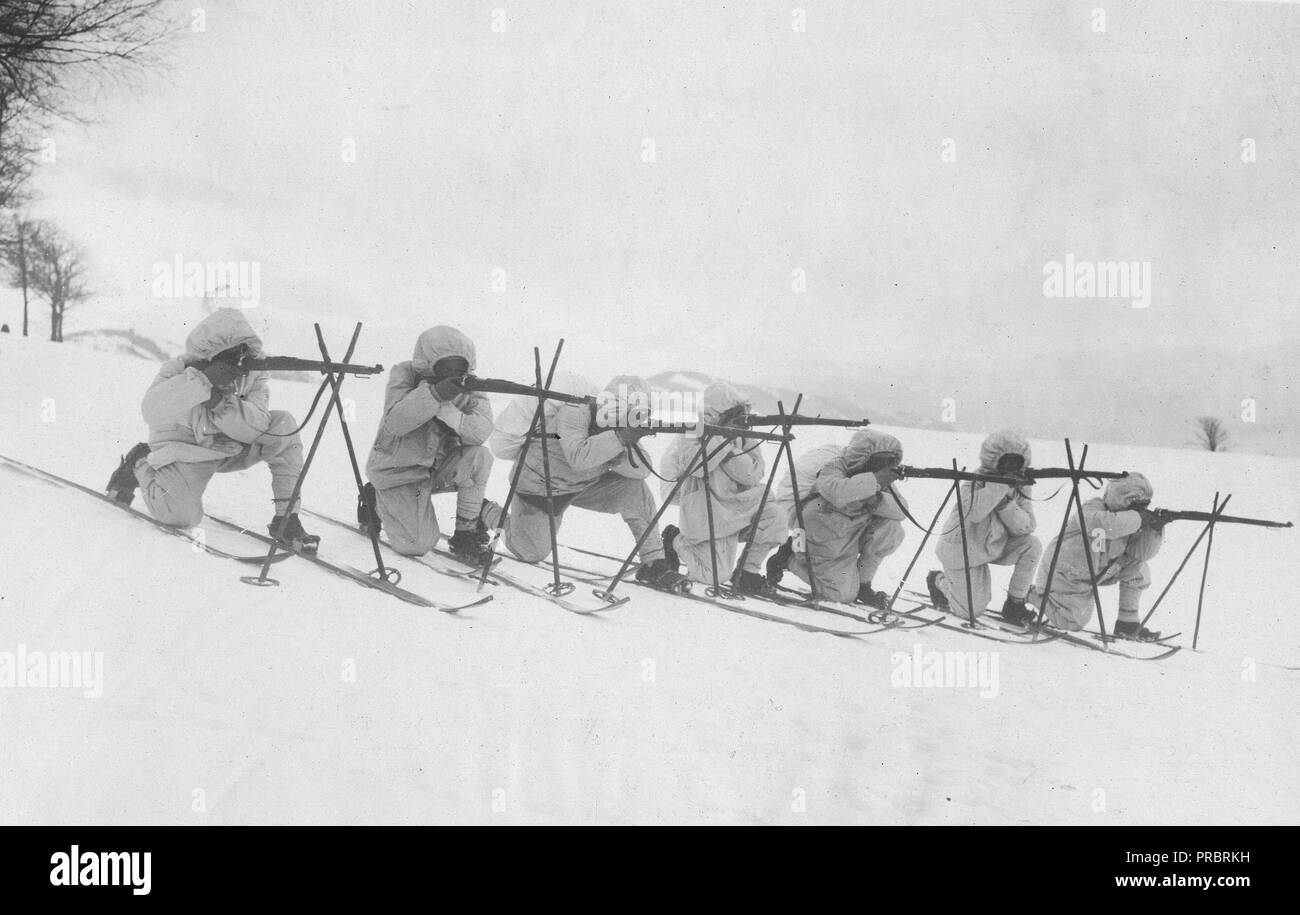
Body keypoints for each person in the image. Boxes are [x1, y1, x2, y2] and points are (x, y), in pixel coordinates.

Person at [104, 307, 318, 550]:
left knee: (284, 426)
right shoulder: (178, 370)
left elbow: (256, 426)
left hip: (230, 445)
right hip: (186, 451)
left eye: (244, 351)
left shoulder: (254, 375)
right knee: (180, 516)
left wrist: (219, 402)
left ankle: (287, 518)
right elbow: (151, 412)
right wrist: (202, 383)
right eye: (232, 354)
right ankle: (139, 463)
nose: (240, 359)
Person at [492, 374, 686, 590]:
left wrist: (625, 443)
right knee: (529, 552)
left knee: (634, 490)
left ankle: (653, 562)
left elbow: (642, 470)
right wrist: (620, 440)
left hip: (581, 486)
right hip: (541, 485)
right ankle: (487, 512)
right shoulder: (575, 411)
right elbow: (578, 457)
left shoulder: (618, 428)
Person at [362, 325, 495, 564]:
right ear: (430, 363)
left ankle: (466, 533)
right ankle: (374, 497)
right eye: (446, 366)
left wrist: (450, 411)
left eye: (459, 366)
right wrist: (434, 395)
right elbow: (396, 423)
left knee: (480, 457)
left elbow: (480, 432)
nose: (453, 372)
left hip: (436, 468)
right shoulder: (406, 374)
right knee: (417, 544)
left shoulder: (470, 386)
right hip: (399, 473)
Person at [658, 382, 785, 593]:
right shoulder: (692, 428)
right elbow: (697, 467)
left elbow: (754, 474)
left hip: (734, 504)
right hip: (702, 503)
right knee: (712, 576)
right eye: (736, 414)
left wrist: (727, 450)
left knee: (776, 518)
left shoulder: (742, 432)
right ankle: (674, 539)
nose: (743, 419)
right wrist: (724, 439)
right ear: (720, 413)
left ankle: (747, 572)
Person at [765, 429, 908, 607]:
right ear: (864, 457)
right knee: (839, 595)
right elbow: (838, 492)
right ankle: (788, 558)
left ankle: (863, 584)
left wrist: (876, 498)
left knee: (891, 529)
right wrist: (874, 482)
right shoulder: (834, 466)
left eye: (889, 460)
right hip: (822, 530)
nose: (884, 465)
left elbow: (901, 510)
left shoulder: (880, 477)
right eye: (880, 460)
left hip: (850, 532)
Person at [1027, 472, 1166, 640]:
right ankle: (1030, 595)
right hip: (1065, 574)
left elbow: (1142, 553)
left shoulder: (1128, 518)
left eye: (1144, 504)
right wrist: (1137, 518)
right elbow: (1104, 526)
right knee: (1072, 623)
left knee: (1139, 569)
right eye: (1136, 503)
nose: (1140, 509)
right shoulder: (1093, 507)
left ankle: (1127, 623)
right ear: (1121, 498)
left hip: (1096, 571)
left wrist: (1154, 529)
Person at [925, 430, 1041, 625]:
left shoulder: (1021, 486)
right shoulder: (975, 480)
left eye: (1016, 462)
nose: (1011, 467)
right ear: (993, 460)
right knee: (970, 610)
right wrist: (1001, 486)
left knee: (1032, 544)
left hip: (994, 545)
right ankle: (939, 581)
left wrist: (1006, 505)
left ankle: (1015, 603)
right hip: (963, 551)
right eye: (1006, 462)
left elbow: (1027, 526)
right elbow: (976, 512)